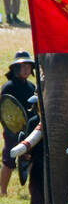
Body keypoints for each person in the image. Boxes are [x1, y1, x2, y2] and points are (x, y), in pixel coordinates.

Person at [11, 94, 45, 204]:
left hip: (56, 173)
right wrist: (25, 156)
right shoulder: (33, 123)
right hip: (38, 173)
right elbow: (28, 148)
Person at [1, 51, 36, 195]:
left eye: (28, 66)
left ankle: (34, 190)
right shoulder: (8, 87)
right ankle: (2, 190)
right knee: (9, 160)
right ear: (16, 68)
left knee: (33, 159)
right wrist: (11, 128)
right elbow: (4, 108)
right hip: (12, 130)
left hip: (29, 130)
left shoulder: (32, 87)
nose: (26, 69)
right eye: (23, 66)